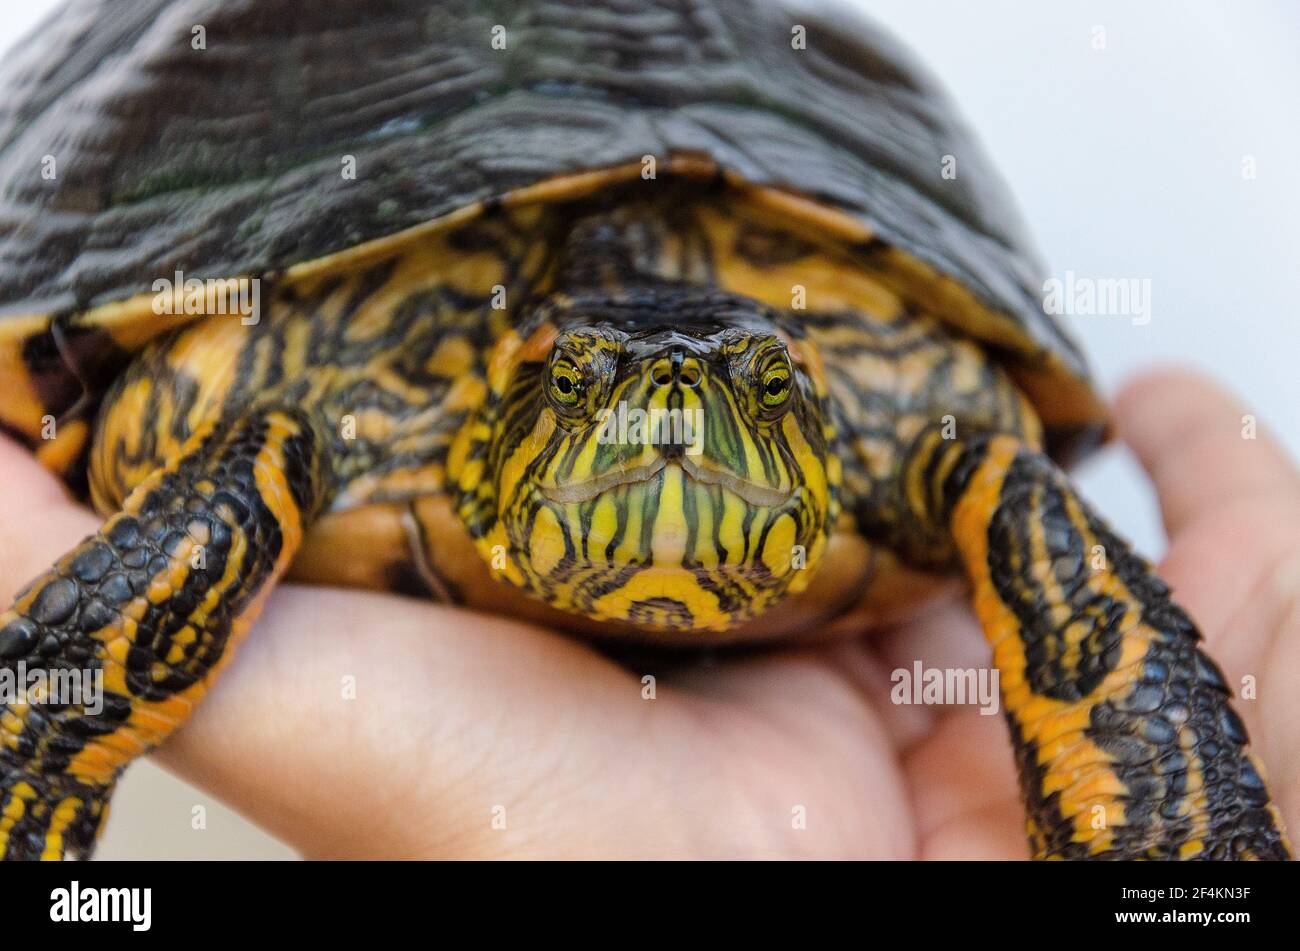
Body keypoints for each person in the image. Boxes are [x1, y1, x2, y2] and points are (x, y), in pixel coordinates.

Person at [2, 370, 1294, 858]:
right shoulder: (309, 393)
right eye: (590, 392)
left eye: (752, 396)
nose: (673, 421)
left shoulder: (922, 430)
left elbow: (1010, 481)